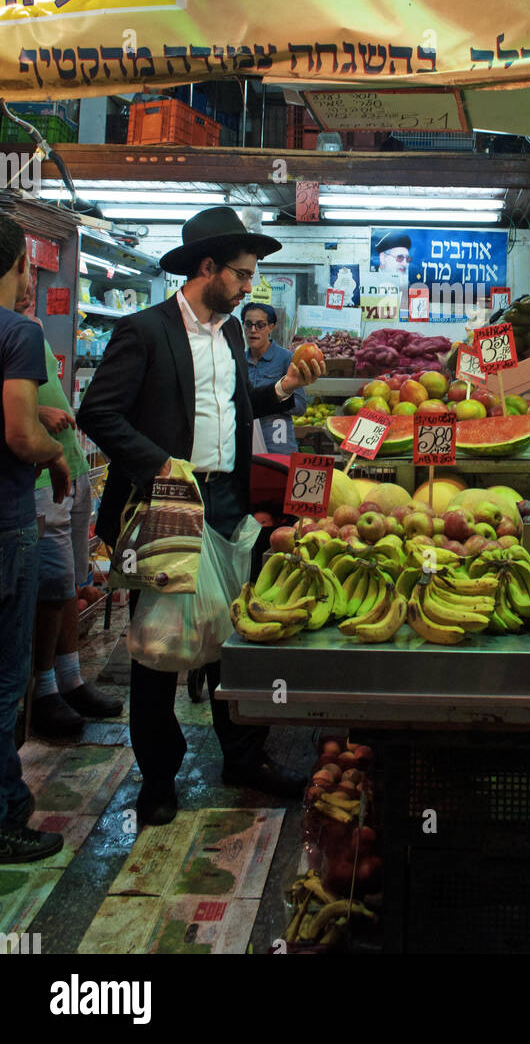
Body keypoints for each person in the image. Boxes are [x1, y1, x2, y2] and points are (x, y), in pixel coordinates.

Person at [77, 208, 323, 828]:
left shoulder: (233, 335)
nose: (249, 289)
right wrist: (158, 464)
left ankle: (243, 757)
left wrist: (285, 386)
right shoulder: (145, 332)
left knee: (235, 634)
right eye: (241, 276)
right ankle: (158, 779)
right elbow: (98, 414)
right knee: (158, 648)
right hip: (165, 509)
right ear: (206, 268)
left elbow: (238, 409)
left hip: (227, 503)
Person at [13, 276, 122, 738]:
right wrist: (36, 416)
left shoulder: (28, 329)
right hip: (38, 475)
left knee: (66, 585)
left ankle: (70, 679)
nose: (27, 285)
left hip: (68, 467)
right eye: (23, 273)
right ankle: (45, 691)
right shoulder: (12, 334)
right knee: (51, 590)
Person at [0, 213, 70, 865]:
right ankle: (4, 818)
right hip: (5, 521)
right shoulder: (18, 332)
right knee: (3, 679)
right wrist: (53, 454)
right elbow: (20, 434)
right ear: (20, 263)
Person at [242, 302, 306, 455]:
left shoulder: (286, 359)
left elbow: (300, 407)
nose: (253, 330)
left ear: (271, 327)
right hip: (247, 447)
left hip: (279, 447)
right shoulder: (238, 361)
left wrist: (276, 396)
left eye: (260, 325)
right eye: (248, 324)